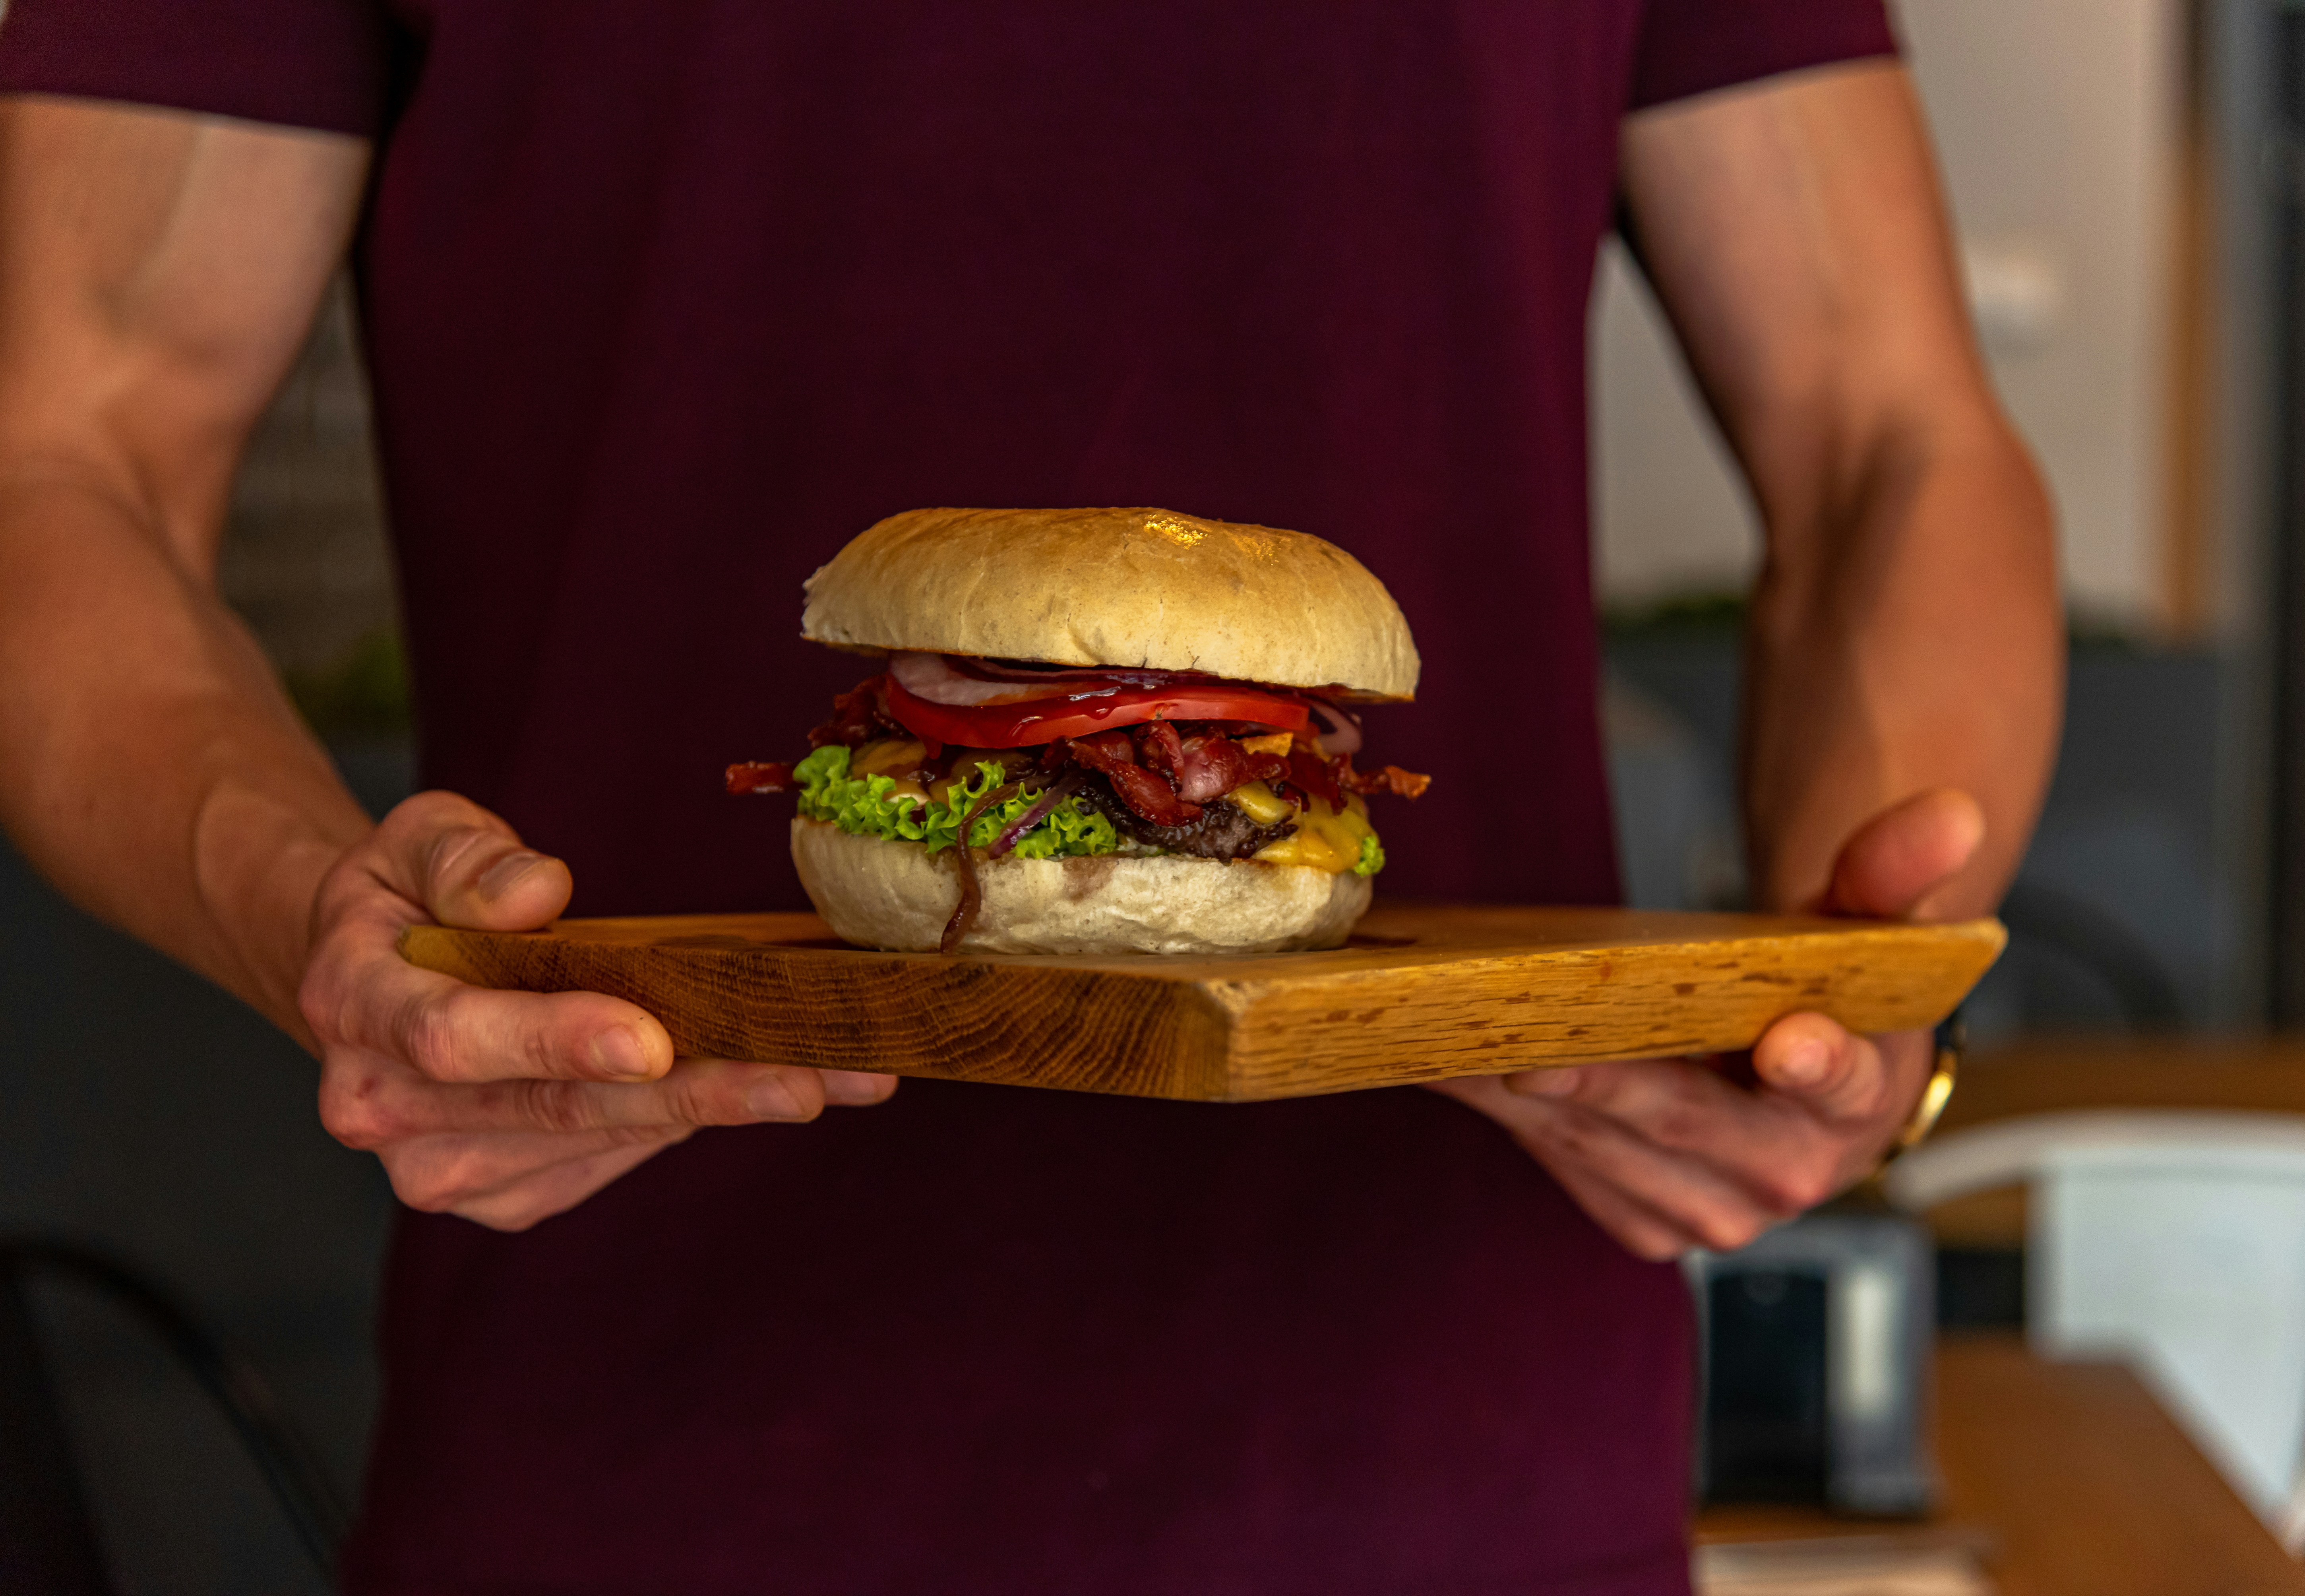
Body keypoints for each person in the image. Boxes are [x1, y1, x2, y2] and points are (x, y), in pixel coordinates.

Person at [0, 4, 2058, 1591]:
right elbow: (68, 460)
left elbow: (1889, 432)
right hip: (629, 1451)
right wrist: (315, 915)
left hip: (1477, 1453)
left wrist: (1851, 979)